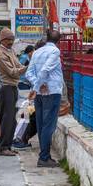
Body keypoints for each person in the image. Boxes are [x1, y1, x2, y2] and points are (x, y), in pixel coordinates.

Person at [25, 28, 64, 168]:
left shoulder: (37, 52)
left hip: (41, 93)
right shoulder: (54, 51)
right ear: (58, 41)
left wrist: (37, 85)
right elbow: (45, 70)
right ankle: (44, 157)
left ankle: (44, 155)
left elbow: (29, 73)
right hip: (51, 91)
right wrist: (38, 87)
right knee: (48, 125)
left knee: (42, 124)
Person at [0, 27, 27, 157]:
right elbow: (12, 72)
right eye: (8, 40)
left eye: (12, 40)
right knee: (7, 118)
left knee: (12, 118)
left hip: (12, 86)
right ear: (3, 40)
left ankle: (7, 145)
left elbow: (18, 66)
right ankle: (2, 147)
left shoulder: (10, 50)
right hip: (5, 87)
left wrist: (24, 68)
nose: (11, 42)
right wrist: (28, 67)